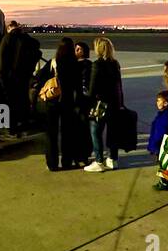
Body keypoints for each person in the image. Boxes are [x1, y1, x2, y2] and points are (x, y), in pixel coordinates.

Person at [83, 37, 124, 172]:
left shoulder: (97, 64)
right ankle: (112, 159)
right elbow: (119, 85)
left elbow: (93, 88)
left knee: (96, 131)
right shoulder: (115, 63)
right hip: (115, 103)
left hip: (101, 104)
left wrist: (87, 96)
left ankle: (99, 160)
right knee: (112, 132)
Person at [43, 38, 81, 171]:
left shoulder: (53, 62)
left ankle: (52, 163)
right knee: (67, 133)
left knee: (51, 134)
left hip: (53, 101)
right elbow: (78, 87)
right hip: (68, 101)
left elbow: (40, 77)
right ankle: (67, 161)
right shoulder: (75, 64)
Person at [0, 20, 41, 133]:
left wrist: (0, 76)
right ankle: (24, 123)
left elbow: (1, 60)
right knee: (23, 98)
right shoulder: (27, 39)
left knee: (9, 101)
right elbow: (38, 50)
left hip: (10, 76)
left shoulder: (7, 39)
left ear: (9, 28)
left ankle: (10, 127)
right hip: (24, 75)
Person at [148, 90, 168, 190]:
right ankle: (165, 181)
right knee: (164, 162)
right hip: (161, 144)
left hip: (161, 144)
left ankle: (164, 182)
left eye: (159, 100)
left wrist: (154, 144)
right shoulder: (165, 114)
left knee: (163, 163)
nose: (157, 102)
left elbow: (159, 132)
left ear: (165, 103)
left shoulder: (164, 116)